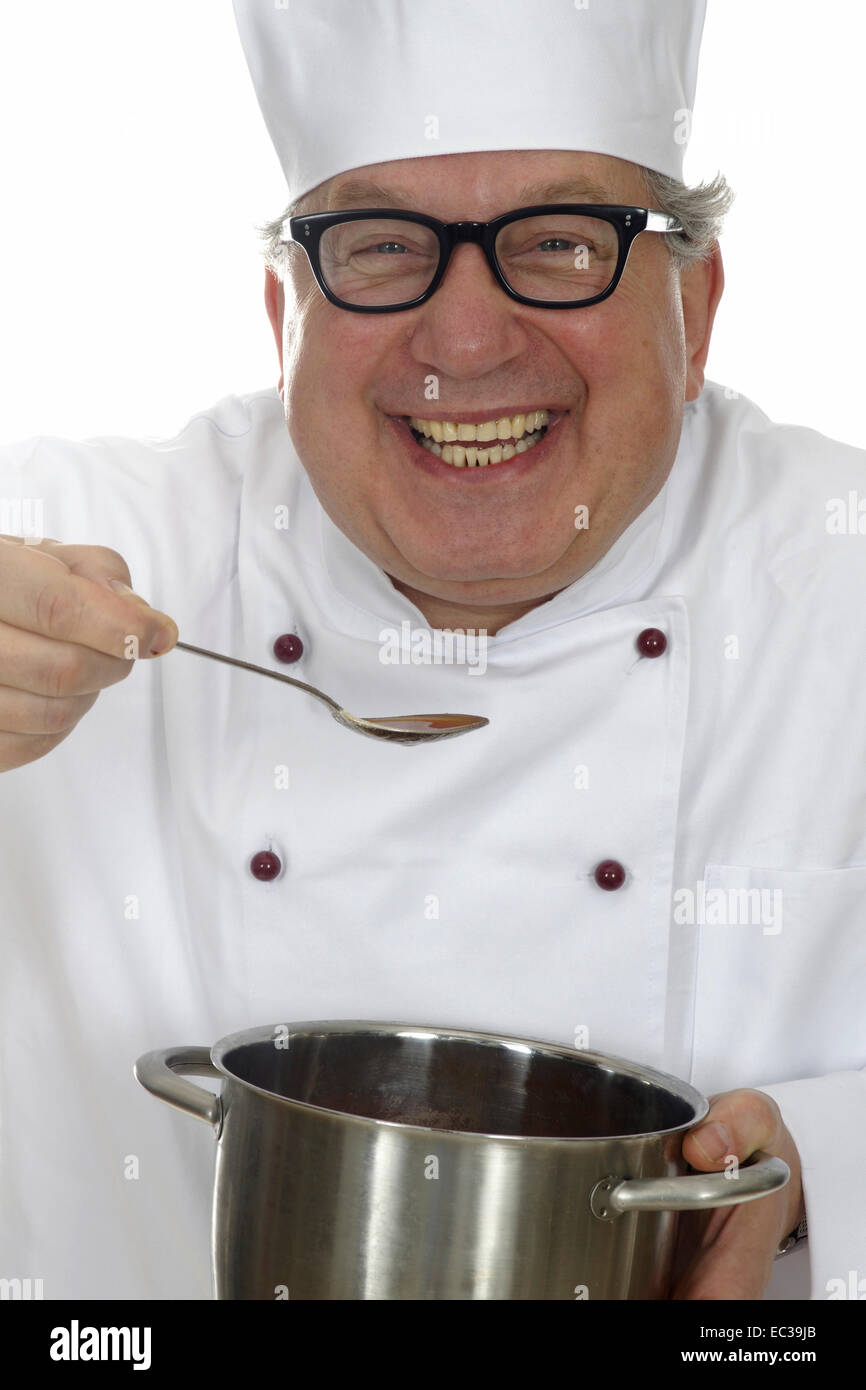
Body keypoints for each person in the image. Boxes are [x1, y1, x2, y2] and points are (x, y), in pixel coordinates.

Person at [0, 0, 862, 1301]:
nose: (465, 343)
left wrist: (824, 1169)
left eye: (561, 243)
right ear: (281, 310)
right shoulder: (79, 552)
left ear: (697, 299)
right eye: (383, 245)